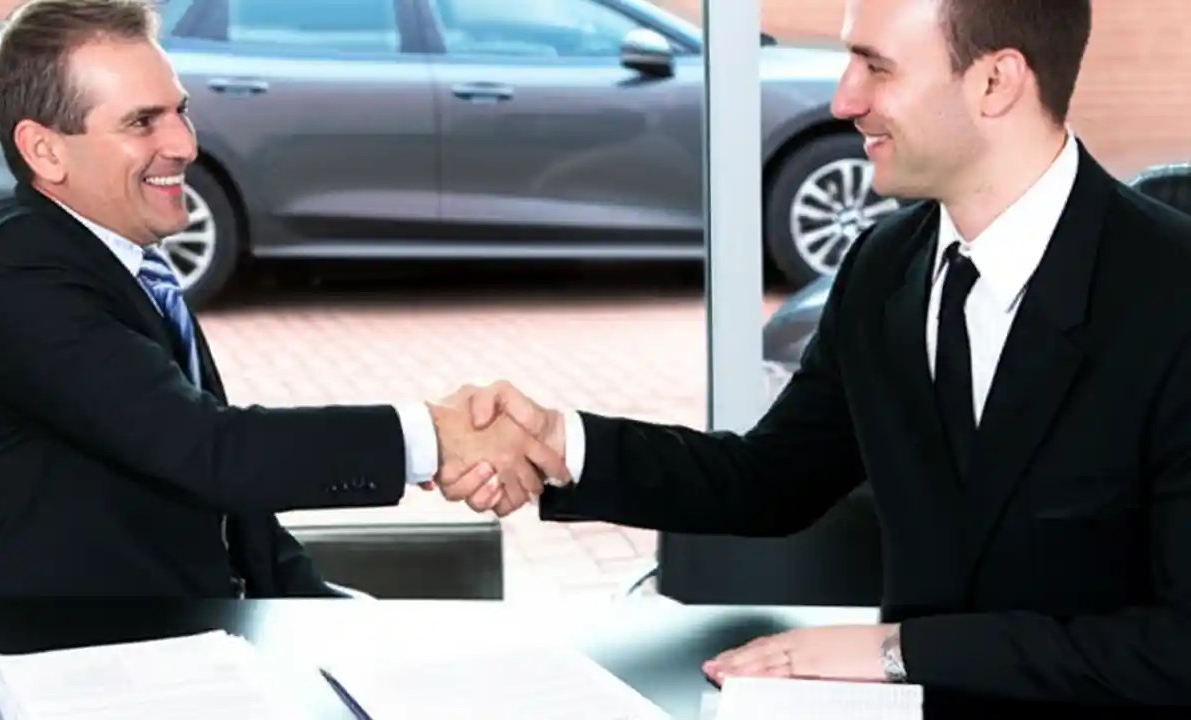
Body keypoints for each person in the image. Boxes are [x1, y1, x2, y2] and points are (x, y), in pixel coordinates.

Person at [445, 0, 1191, 715]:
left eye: (877, 66)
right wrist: (559, 443)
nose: (844, 100)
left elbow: (1178, 646)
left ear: (996, 81)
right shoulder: (883, 267)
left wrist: (900, 651)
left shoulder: (1172, 292)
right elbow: (767, 481)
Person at [0, 0, 566, 598]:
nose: (183, 145)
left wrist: (325, 606)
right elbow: (211, 453)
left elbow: (226, 503)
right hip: (82, 670)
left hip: (184, 645)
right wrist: (433, 435)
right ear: (45, 150)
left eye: (180, 111)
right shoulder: (19, 281)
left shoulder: (119, 263)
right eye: (142, 122)